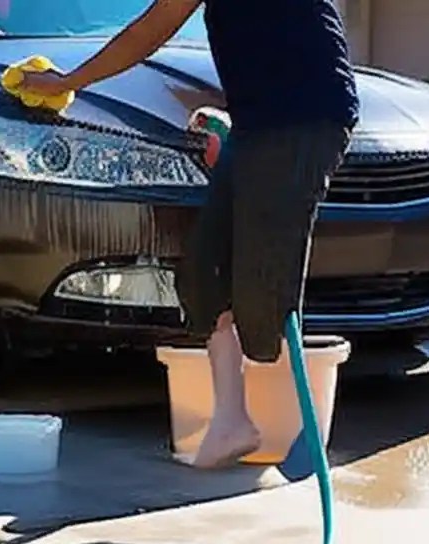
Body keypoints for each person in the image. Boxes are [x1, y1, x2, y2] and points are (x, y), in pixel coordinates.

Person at [18, 0, 359, 469]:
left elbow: (147, 34)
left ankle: (302, 434)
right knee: (202, 270)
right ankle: (232, 420)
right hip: (258, 125)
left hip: (302, 120)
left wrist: (66, 82)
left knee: (264, 291)